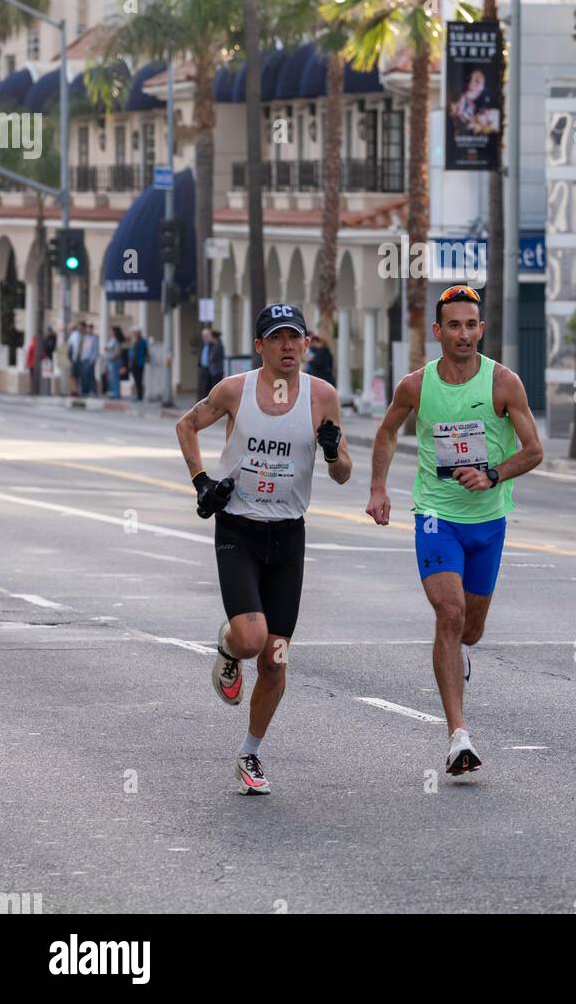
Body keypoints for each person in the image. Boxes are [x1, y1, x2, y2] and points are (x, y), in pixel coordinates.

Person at [366, 284, 543, 777]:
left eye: (472, 325)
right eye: (455, 326)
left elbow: (534, 450)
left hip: (487, 520)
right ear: (438, 331)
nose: (465, 334)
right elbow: (386, 431)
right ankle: (457, 735)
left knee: (472, 628)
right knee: (450, 612)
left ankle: (461, 651)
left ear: (481, 330)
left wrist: (493, 473)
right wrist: (379, 488)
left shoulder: (503, 383)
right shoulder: (416, 387)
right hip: (434, 516)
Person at [175, 303, 351, 796]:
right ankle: (230, 644)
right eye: (277, 338)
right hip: (239, 529)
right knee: (253, 640)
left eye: (295, 337)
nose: (288, 346)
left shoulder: (322, 396)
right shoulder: (235, 390)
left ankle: (250, 753)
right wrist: (201, 481)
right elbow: (186, 425)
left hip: (288, 535)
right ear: (260, 347)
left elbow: (342, 473)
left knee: (275, 657)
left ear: (307, 344)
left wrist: (335, 450)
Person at [105, 325, 125, 399]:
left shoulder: (116, 341)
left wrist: (112, 358)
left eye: (112, 331)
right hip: (110, 361)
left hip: (114, 361)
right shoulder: (112, 340)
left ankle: (116, 394)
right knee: (111, 378)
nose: (111, 332)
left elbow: (117, 352)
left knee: (115, 378)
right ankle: (113, 392)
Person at [80, 324, 99, 397]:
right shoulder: (86, 338)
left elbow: (96, 350)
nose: (88, 330)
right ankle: (85, 391)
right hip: (84, 359)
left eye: (90, 329)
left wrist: (93, 360)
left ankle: (93, 391)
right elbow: (84, 349)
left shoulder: (94, 338)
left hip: (90, 360)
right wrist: (82, 357)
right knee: (84, 376)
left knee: (91, 376)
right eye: (88, 329)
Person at [129, 328, 149, 402]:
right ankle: (138, 395)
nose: (135, 335)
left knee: (139, 380)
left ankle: (140, 396)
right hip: (133, 364)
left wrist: (146, 358)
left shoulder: (143, 342)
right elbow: (131, 353)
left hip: (140, 363)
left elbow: (146, 352)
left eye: (136, 333)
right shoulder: (134, 342)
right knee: (136, 380)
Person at [67, 320, 84, 396]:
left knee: (73, 376)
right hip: (75, 359)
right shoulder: (76, 335)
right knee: (75, 376)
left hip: (75, 359)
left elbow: (75, 348)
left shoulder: (74, 335)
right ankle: (75, 390)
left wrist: (73, 358)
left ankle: (74, 390)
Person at [197, 327, 213, 399]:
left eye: (206, 336)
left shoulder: (213, 345)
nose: (205, 338)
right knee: (202, 387)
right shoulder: (202, 345)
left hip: (210, 369)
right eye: (203, 336)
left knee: (208, 388)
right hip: (203, 367)